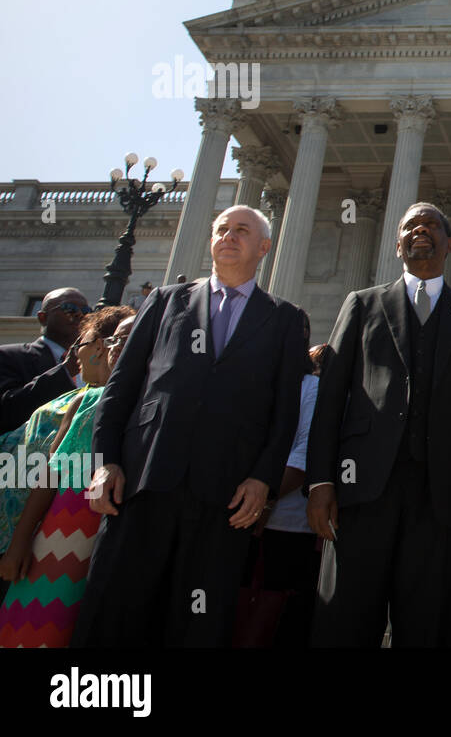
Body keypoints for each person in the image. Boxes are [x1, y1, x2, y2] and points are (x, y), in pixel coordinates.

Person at [71, 205, 308, 647]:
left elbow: (284, 414)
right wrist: (105, 464)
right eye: (222, 229)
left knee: (196, 623)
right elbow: (120, 391)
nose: (229, 237)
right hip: (143, 485)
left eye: (242, 231)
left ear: (264, 247)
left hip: (224, 497)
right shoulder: (164, 302)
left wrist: (263, 480)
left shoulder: (285, 319)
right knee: (114, 610)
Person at [306, 202, 451, 647]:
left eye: (431, 225)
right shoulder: (363, 304)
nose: (419, 230)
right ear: (397, 244)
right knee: (346, 615)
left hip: (440, 495)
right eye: (410, 226)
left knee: (428, 621)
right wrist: (320, 482)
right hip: (362, 489)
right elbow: (331, 399)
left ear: (449, 243)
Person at [0, 307, 135, 647]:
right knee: (34, 629)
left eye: (130, 338)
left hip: (115, 539)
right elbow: (54, 475)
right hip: (64, 529)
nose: (112, 347)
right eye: (113, 338)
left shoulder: (154, 403)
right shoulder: (87, 401)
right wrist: (19, 542)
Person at [237, 337, 327, 648]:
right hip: (243, 516)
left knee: (273, 610)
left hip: (283, 524)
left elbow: (303, 455)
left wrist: (264, 501)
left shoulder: (309, 389)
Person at [0, 288, 89, 433]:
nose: (80, 315)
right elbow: (6, 410)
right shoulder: (8, 355)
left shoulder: (91, 362)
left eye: (86, 310)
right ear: (43, 317)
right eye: (69, 308)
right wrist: (65, 371)